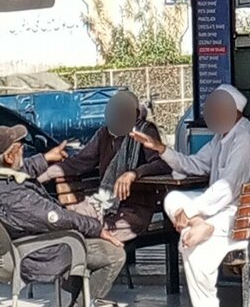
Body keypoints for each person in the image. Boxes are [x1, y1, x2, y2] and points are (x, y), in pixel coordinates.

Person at [131, 84, 250, 307]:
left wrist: (190, 211)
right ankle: (201, 225)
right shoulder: (221, 138)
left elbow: (226, 190)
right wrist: (161, 149)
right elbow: (194, 164)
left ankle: (207, 226)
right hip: (227, 214)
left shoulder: (246, 141)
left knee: (193, 245)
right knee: (174, 201)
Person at [0, 124, 125, 305]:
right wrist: (97, 229)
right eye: (21, 147)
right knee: (114, 254)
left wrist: (45, 158)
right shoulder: (14, 197)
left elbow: (15, 173)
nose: (24, 149)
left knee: (78, 234)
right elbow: (56, 217)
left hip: (13, 247)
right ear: (10, 157)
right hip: (38, 254)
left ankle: (75, 300)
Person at [39, 89, 171, 242]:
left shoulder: (145, 131)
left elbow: (162, 163)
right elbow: (80, 161)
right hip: (102, 203)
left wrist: (134, 173)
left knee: (103, 232)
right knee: (68, 222)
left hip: (135, 209)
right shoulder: (104, 133)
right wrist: (42, 174)